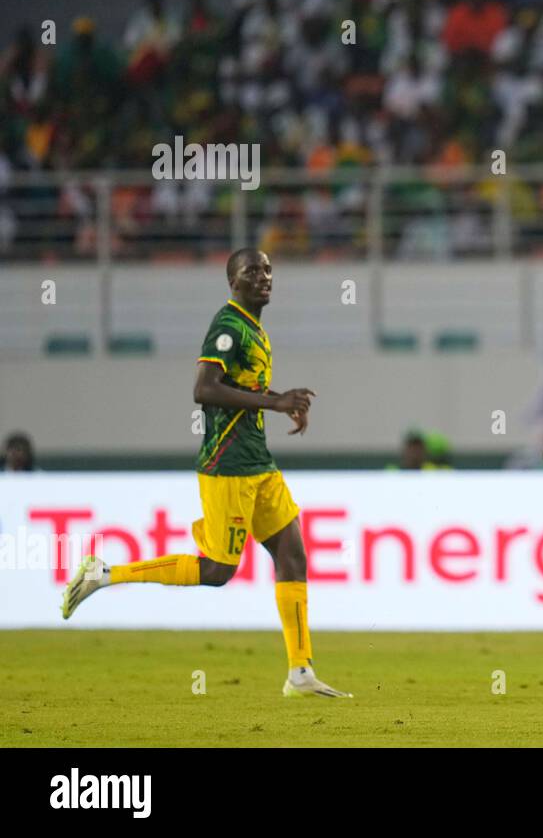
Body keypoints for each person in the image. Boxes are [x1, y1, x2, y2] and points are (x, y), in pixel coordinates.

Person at [60, 249, 351, 698]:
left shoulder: (254, 328)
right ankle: (104, 574)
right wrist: (274, 403)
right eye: (252, 271)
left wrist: (281, 400)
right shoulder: (228, 326)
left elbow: (240, 388)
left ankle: (300, 672)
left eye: (269, 269)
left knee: (293, 554)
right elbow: (204, 389)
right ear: (233, 281)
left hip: (258, 462)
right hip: (228, 466)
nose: (264, 277)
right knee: (218, 571)